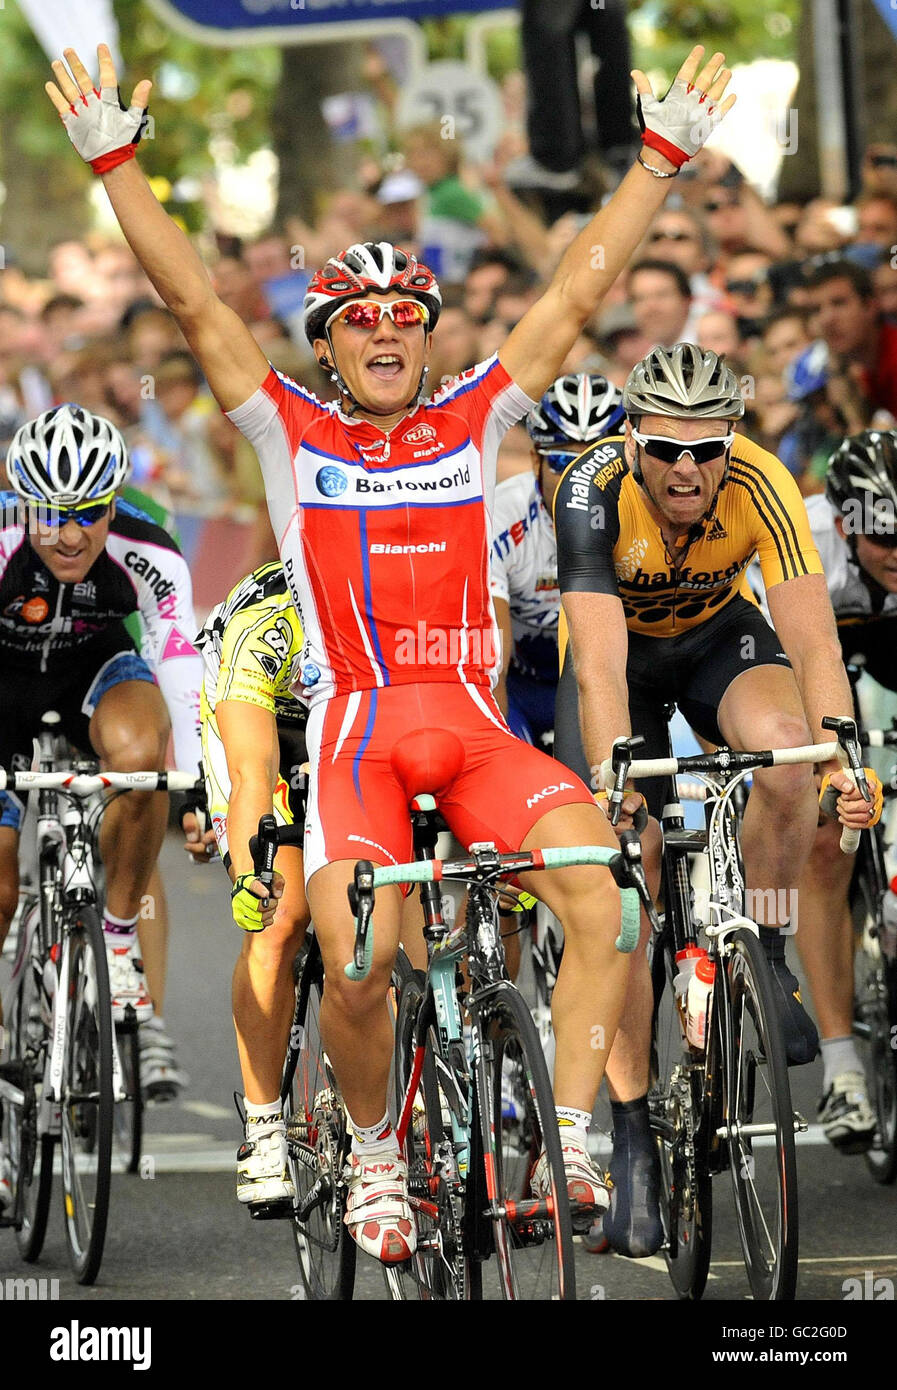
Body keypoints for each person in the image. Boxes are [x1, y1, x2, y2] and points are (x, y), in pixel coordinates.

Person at [47, 38, 738, 1266]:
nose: (384, 331)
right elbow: (196, 301)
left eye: (405, 318)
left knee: (610, 902)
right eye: (358, 318)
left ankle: (568, 1130)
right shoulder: (289, 429)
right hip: (359, 726)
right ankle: (372, 1155)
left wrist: (660, 162)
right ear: (330, 344)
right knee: (356, 952)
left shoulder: (476, 415)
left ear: (426, 340)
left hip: (475, 731)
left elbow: (575, 297)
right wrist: (115, 164)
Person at [552, 343, 881, 1256]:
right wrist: (619, 778)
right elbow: (600, 661)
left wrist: (839, 761)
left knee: (786, 755)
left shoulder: (765, 482)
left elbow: (811, 639)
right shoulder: (586, 493)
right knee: (629, 873)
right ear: (630, 443)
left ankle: (765, 943)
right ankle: (629, 1134)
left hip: (712, 641)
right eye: (665, 447)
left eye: (708, 447)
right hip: (618, 663)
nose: (687, 468)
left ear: (732, 440)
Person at [0, 404, 209, 1093]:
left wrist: (201, 783)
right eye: (50, 514)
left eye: (88, 513)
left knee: (145, 759)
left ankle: (118, 943)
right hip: (4, 691)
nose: (68, 535)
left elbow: (178, 662)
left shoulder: (147, 550)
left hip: (95, 673)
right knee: (2, 884)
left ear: (112, 502)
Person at [195, 563, 310, 1212]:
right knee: (279, 918)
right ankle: (264, 1128)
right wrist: (249, 874)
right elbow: (250, 773)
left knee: (385, 932)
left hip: (342, 727)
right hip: (254, 726)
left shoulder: (394, 596)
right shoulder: (268, 619)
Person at [796, 431, 897, 1150]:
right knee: (825, 840)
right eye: (881, 536)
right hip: (817, 662)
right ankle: (841, 1070)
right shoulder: (805, 547)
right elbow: (783, 673)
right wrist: (820, 773)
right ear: (842, 527)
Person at [492, 372, 625, 746]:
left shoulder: (644, 516)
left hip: (604, 682)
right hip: (519, 687)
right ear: (535, 459)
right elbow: (494, 661)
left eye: (597, 461)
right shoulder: (501, 516)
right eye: (562, 460)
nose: (579, 478)